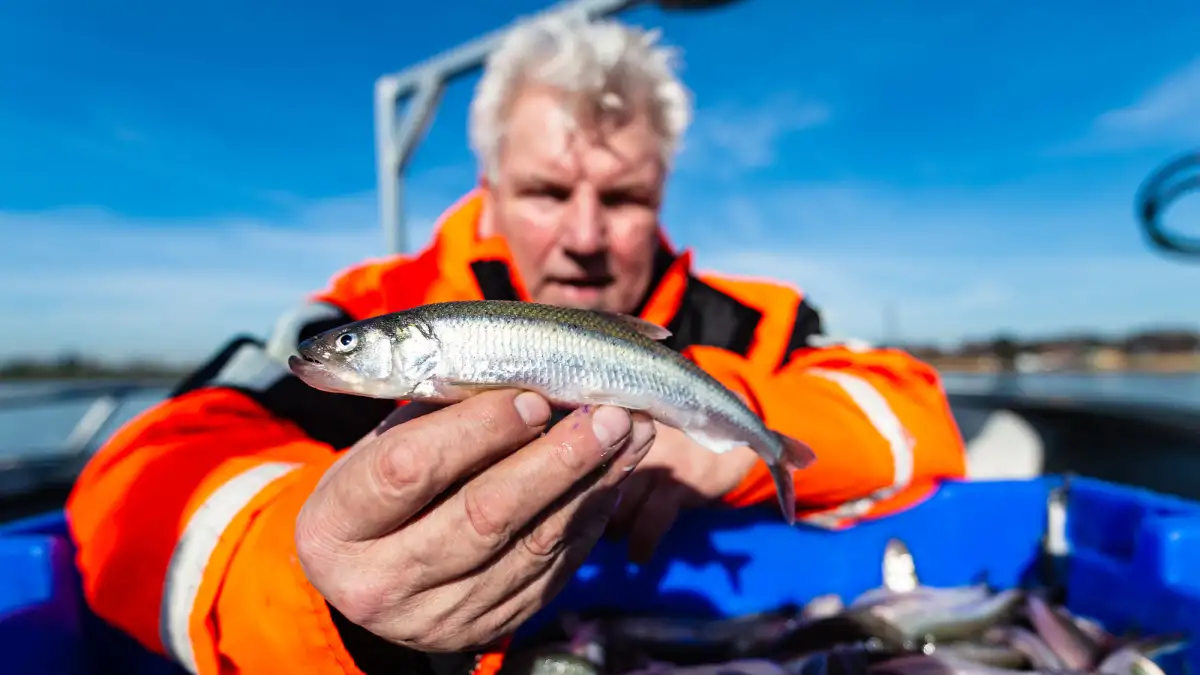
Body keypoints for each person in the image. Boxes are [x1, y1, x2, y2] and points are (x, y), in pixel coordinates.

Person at [65, 15, 967, 675]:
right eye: (544, 190)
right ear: (489, 188)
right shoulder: (374, 305)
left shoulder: (756, 320)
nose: (584, 233)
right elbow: (143, 473)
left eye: (620, 199)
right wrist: (318, 570)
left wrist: (730, 434)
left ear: (661, 195)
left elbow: (917, 414)